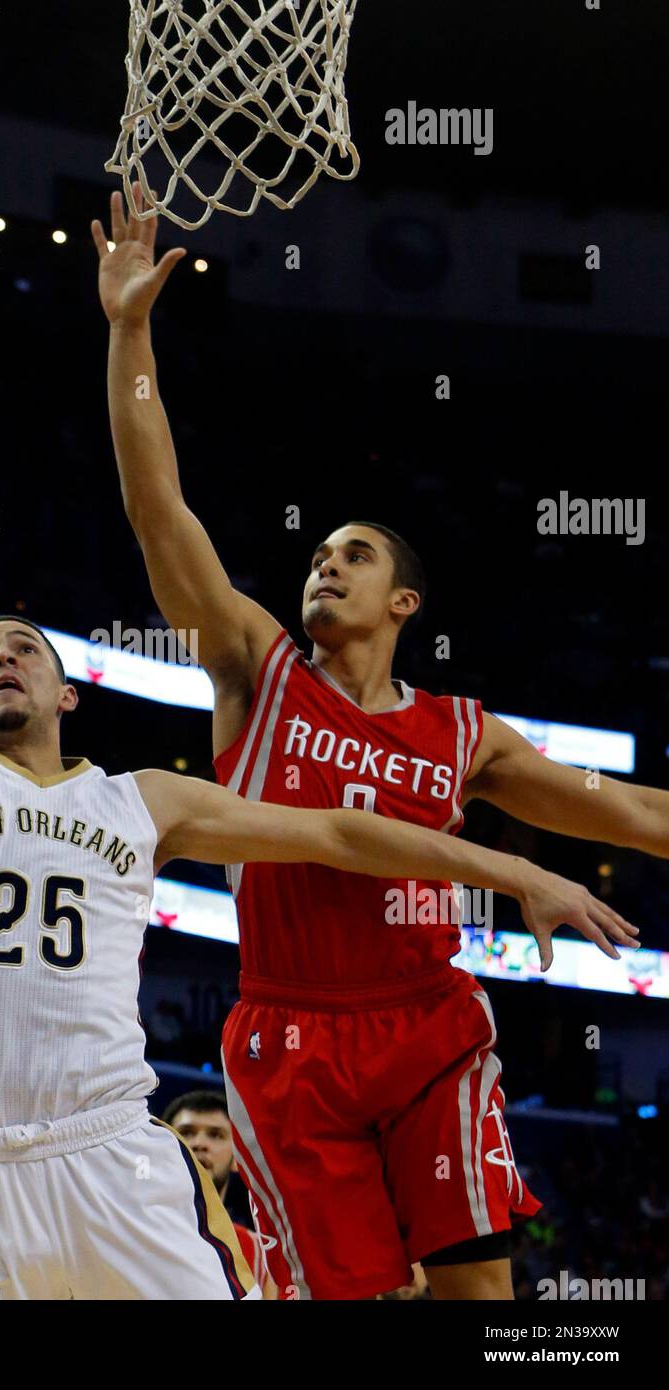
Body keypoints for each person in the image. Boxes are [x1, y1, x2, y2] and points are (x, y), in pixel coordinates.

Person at [0, 318, 634, 1301]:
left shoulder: (142, 800)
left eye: (25, 649)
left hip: (114, 1158)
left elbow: (342, 833)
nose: (4, 656)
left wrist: (516, 870)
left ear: (66, 692)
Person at [94, 185, 652, 1300]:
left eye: (353, 556)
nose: (324, 564)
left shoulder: (461, 732)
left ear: (403, 602)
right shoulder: (258, 670)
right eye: (318, 554)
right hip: (286, 1032)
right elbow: (161, 517)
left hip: (425, 1024)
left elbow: (635, 814)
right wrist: (128, 333)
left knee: (476, 1296)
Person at [164, 1090, 278, 1297]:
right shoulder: (127, 1230)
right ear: (161, 1148)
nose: (199, 1143)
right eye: (186, 1132)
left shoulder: (263, 1255)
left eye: (216, 1135)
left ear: (237, 1159)